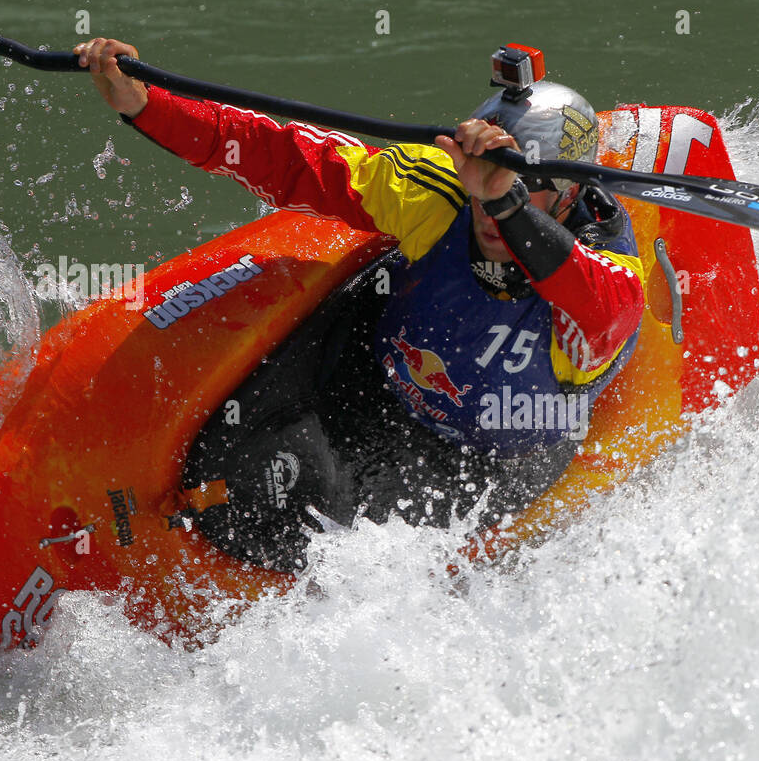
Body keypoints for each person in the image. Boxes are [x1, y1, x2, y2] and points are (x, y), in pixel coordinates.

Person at [74, 38, 645, 568]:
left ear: (569, 195)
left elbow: (605, 301)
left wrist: (506, 204)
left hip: (481, 463)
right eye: (489, 176)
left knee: (286, 508)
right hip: (373, 370)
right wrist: (145, 104)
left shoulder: (603, 280)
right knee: (254, 443)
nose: (489, 196)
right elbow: (281, 157)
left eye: (523, 181)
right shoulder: (441, 190)